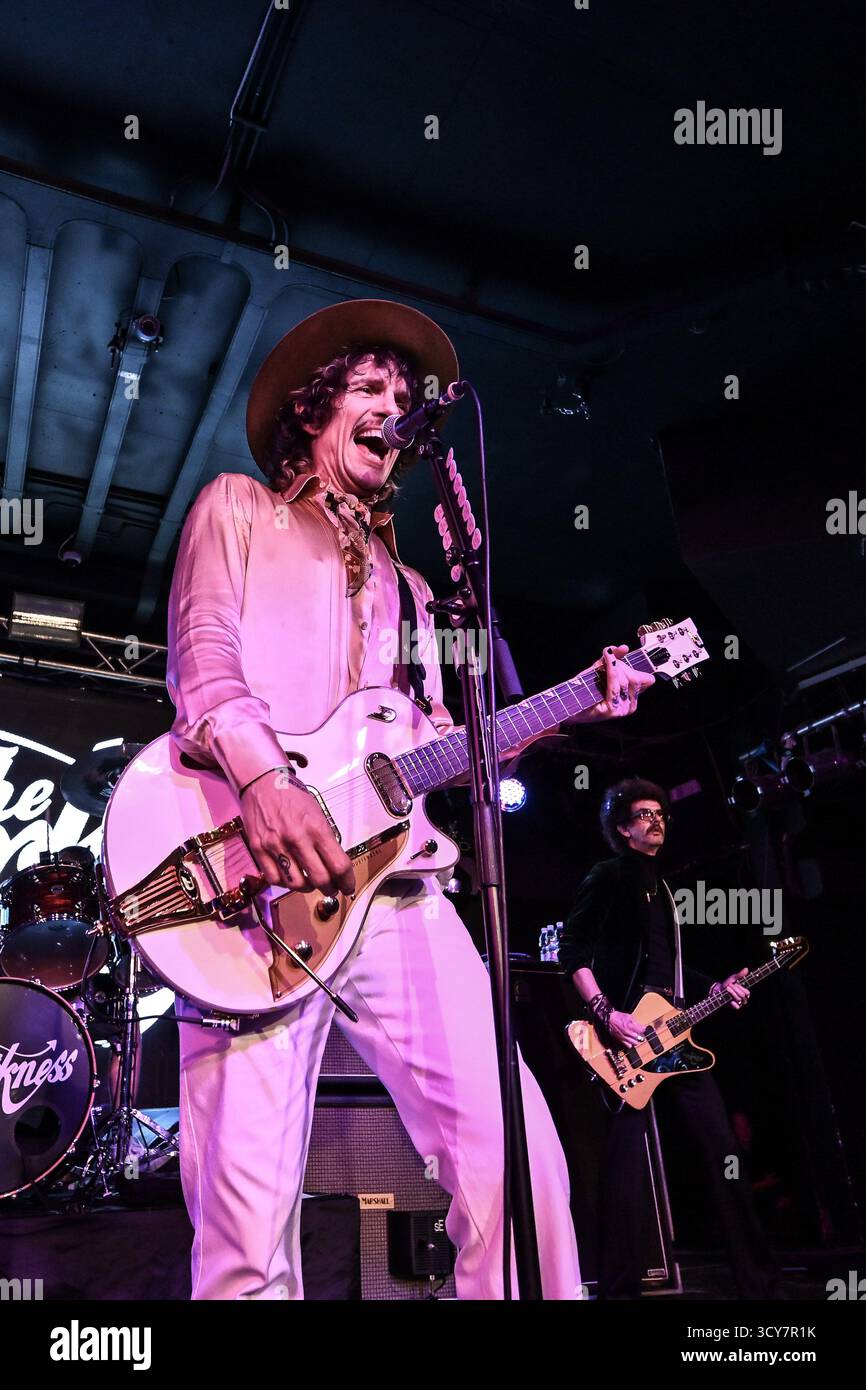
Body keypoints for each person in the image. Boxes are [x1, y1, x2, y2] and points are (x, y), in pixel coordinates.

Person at [166, 298, 653, 1299]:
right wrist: (263, 779)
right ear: (313, 411)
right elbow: (204, 659)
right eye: (370, 389)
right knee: (244, 1211)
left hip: (396, 890)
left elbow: (437, 747)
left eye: (405, 396)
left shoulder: (424, 595)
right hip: (247, 887)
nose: (395, 408)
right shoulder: (237, 510)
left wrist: (570, 708)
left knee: (515, 1161)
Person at [558, 777, 779, 1299]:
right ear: (622, 827)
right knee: (624, 1169)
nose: (656, 819)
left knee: (724, 1155)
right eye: (643, 813)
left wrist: (719, 988)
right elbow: (573, 952)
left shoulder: (666, 889)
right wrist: (606, 1014)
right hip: (629, 1039)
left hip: (676, 1037)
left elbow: (671, 973)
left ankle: (760, 1285)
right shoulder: (609, 875)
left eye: (660, 813)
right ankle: (617, 1290)